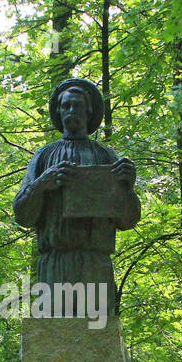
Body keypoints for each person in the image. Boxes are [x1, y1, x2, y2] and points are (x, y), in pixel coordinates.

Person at [13, 78, 140, 316]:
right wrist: (42, 184)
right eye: (66, 106)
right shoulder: (44, 156)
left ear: (88, 110)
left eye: (77, 106)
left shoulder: (106, 156)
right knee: (53, 338)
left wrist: (128, 188)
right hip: (54, 264)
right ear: (59, 111)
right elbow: (22, 214)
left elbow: (128, 221)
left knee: (98, 336)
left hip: (95, 264)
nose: (71, 111)